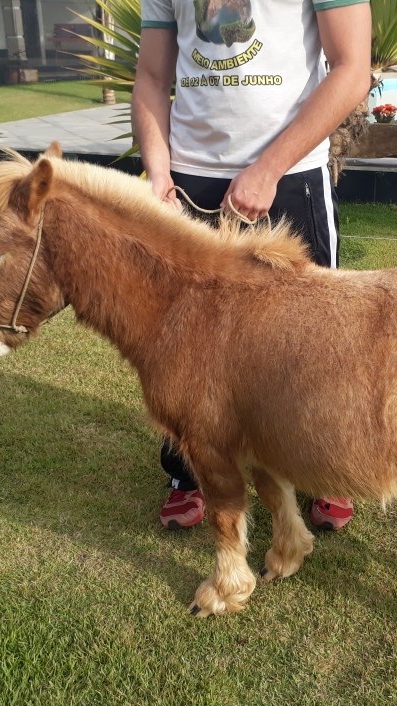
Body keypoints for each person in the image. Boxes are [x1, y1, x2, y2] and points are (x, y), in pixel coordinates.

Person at [133, 0, 372, 531]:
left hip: (290, 176)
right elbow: (152, 75)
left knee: (315, 339)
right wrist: (157, 174)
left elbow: (353, 68)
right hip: (188, 181)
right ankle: (188, 471)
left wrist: (269, 168)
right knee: (182, 339)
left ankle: (325, 469)